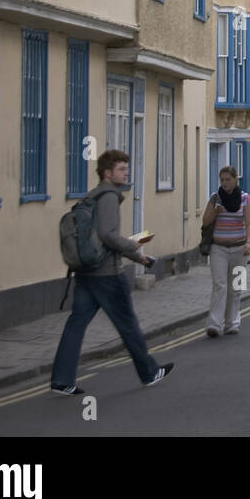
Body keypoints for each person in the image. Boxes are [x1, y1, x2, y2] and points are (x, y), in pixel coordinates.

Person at [51, 150, 174, 394]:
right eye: (121, 169)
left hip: (87, 273)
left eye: (126, 168)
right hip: (107, 275)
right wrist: (134, 246)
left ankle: (62, 380)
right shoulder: (108, 196)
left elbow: (101, 239)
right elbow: (108, 236)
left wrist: (137, 257)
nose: (126, 172)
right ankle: (149, 372)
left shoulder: (92, 196)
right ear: (107, 173)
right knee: (128, 325)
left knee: (75, 325)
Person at [201, 165, 250, 338]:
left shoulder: (245, 198)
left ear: (235, 180)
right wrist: (216, 212)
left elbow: (249, 223)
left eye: (228, 179)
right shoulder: (215, 198)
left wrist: (248, 242)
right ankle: (214, 324)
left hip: (240, 249)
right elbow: (205, 222)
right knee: (219, 285)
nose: (224, 183)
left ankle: (232, 322)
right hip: (219, 248)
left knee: (237, 286)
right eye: (222, 180)